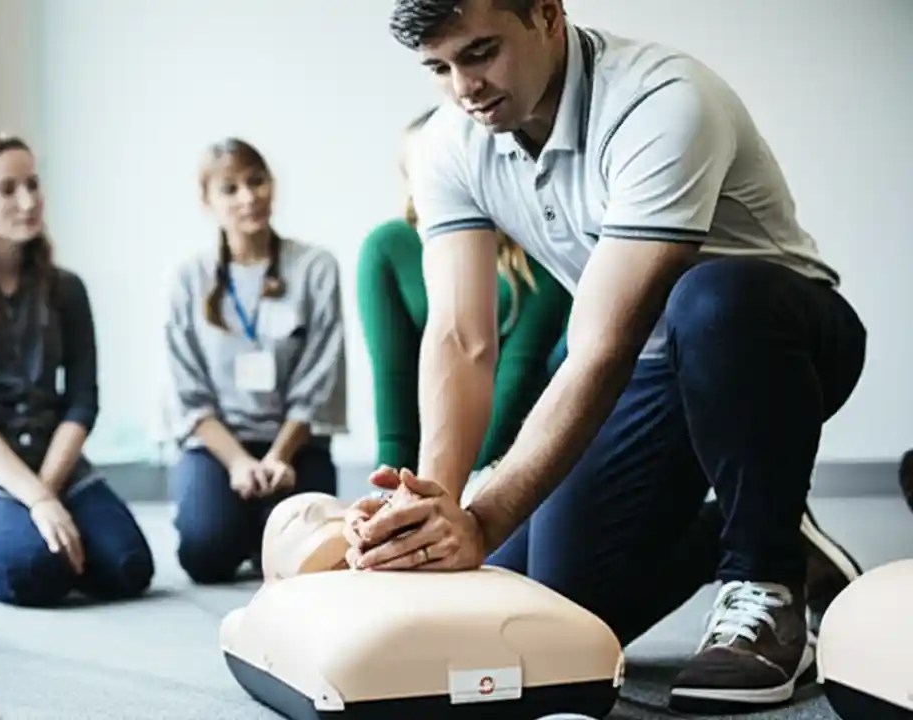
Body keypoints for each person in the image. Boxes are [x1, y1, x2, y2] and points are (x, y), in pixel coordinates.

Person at [345, 0, 867, 712]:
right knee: (557, 611)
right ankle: (759, 524)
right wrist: (434, 517)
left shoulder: (663, 101)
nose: (464, 87)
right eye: (439, 68)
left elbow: (601, 344)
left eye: (480, 53)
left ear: (546, 16)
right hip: (645, 374)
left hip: (772, 347)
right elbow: (461, 340)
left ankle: (766, 573)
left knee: (708, 297)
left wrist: (484, 519)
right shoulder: (450, 142)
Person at [0, 128, 154, 607]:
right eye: (7, 189)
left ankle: (34, 531)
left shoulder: (67, 289)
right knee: (34, 574)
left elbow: (82, 402)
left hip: (54, 463)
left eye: (33, 183)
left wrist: (46, 493)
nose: (28, 201)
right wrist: (38, 503)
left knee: (129, 567)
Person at [165, 138, 348, 584]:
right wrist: (239, 464)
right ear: (207, 202)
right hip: (218, 450)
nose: (249, 197)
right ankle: (238, 519)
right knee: (204, 555)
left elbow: (320, 379)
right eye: (230, 189)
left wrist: (280, 456)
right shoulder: (190, 278)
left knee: (312, 561)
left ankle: (257, 523)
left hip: (296, 446)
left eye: (257, 181)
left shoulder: (315, 267)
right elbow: (188, 393)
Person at [357, 108, 570, 474]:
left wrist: (455, 489)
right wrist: (391, 489)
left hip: (523, 457)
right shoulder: (388, 248)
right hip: (433, 467)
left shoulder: (537, 247)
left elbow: (517, 378)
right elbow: (393, 380)